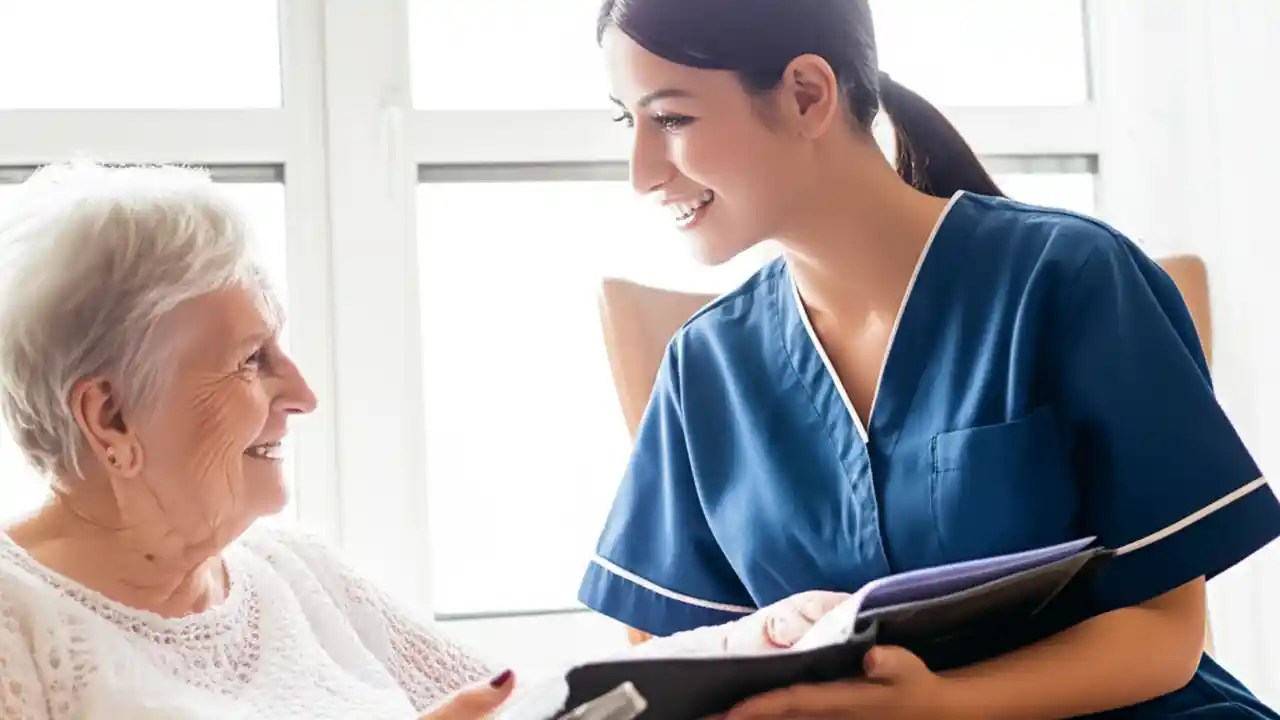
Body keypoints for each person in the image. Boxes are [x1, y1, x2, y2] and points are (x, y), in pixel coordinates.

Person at [578, 0, 1280, 718]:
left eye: (671, 119)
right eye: (626, 122)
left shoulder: (1071, 278)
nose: (641, 173)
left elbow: (1166, 635)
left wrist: (941, 705)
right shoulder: (706, 366)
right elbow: (684, 659)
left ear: (805, 95)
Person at [0, 161, 848, 720]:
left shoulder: (291, 572)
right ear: (109, 418)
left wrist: (755, 642)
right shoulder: (20, 622)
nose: (301, 393)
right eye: (250, 360)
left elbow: (525, 700)